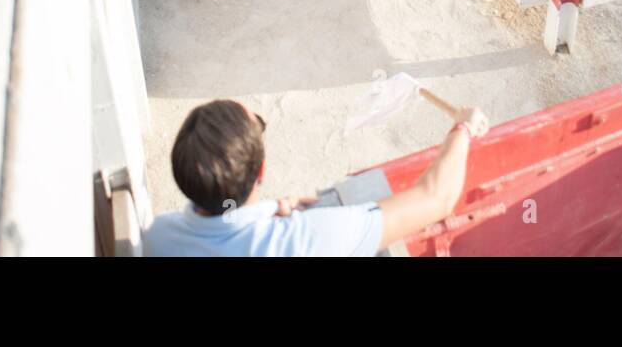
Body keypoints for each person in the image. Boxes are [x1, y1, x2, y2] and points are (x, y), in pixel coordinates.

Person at [144, 99, 490, 256]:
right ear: (261, 171)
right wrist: (463, 127)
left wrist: (267, 209)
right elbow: (436, 198)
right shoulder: (310, 238)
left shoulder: (156, 236)